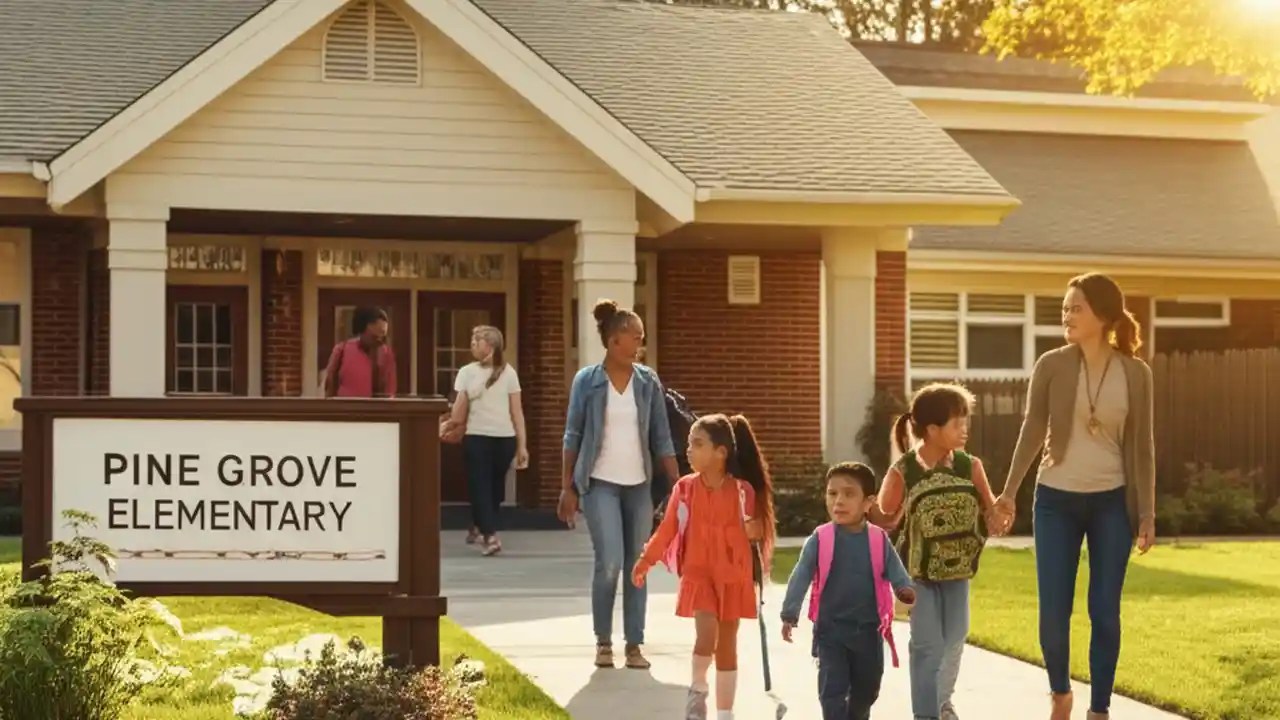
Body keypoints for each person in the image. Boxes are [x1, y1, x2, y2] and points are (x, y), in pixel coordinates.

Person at [992, 272, 1156, 720]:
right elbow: (1031, 431)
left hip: (1112, 502)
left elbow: (1142, 445)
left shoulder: (1136, 374)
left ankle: (1099, 708)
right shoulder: (1051, 364)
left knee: (1104, 610)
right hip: (1056, 500)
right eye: (1064, 308)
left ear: (1102, 315)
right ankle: (1060, 691)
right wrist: (1008, 493)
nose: (1066, 315)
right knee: (1054, 610)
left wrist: (1147, 513)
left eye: (1075, 307)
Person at [559, 299, 680, 670]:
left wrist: (679, 485)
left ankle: (634, 644)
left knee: (637, 565)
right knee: (610, 562)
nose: (640, 344)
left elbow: (661, 436)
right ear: (615, 341)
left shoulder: (648, 382)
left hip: (639, 486)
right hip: (598, 485)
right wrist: (568, 487)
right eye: (636, 337)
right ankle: (603, 642)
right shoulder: (588, 381)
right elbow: (573, 435)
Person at [632, 414, 776, 720]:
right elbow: (668, 529)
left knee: (727, 646)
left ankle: (725, 712)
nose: (689, 450)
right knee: (706, 634)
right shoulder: (685, 489)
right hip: (699, 574)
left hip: (732, 576)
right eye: (689, 444)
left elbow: (757, 530)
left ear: (721, 452)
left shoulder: (742, 492)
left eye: (697, 444)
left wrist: (755, 528)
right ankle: (697, 692)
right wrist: (646, 560)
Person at [871, 383, 999, 720]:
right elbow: (886, 519)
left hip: (959, 570)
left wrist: (1000, 513)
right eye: (957, 423)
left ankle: (943, 701)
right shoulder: (904, 472)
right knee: (927, 644)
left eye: (965, 421)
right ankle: (928, 713)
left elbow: (991, 512)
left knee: (955, 637)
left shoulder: (969, 467)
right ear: (932, 430)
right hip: (918, 572)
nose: (965, 429)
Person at [780, 462, 915, 720]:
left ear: (868, 503)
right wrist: (790, 613)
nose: (838, 501)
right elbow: (801, 575)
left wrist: (904, 588)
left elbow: (896, 571)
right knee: (832, 689)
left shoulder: (878, 539)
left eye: (849, 494)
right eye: (832, 493)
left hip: (869, 631)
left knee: (867, 690)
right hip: (831, 631)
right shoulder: (820, 539)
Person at [442, 325, 528, 557]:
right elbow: (460, 406)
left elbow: (517, 411)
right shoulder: (467, 372)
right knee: (479, 485)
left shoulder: (509, 373)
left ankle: (479, 524)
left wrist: (522, 445)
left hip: (504, 439)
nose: (472, 345)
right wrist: (451, 424)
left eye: (476, 341)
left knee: (495, 490)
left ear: (489, 346)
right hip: (476, 436)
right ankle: (490, 536)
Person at [322, 306, 396, 398]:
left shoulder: (386, 354)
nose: (379, 340)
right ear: (362, 331)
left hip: (374, 410)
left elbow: (389, 391)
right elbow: (330, 385)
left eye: (383, 337)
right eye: (374, 337)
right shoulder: (342, 350)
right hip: (344, 409)